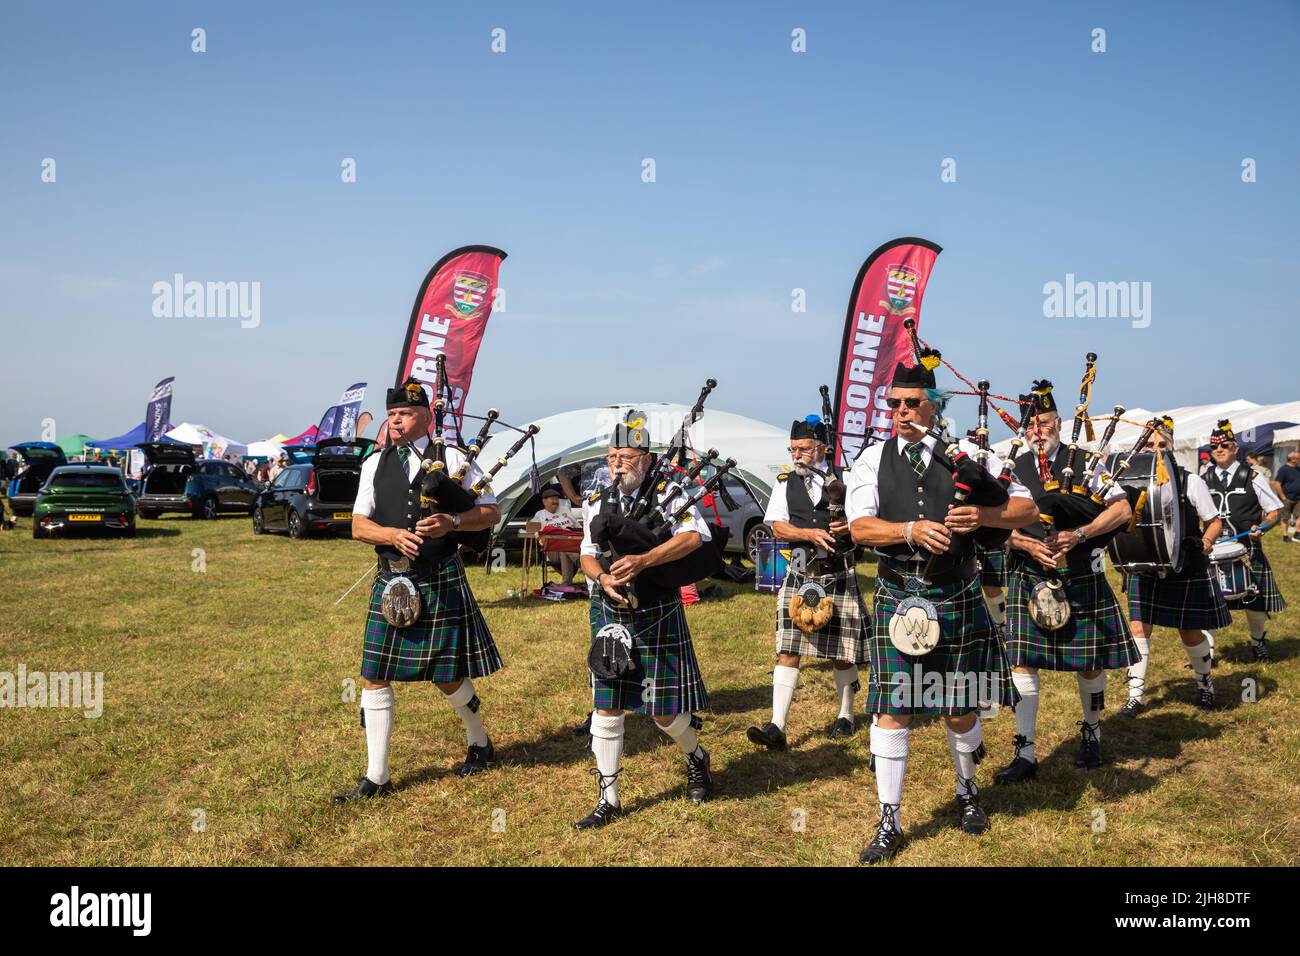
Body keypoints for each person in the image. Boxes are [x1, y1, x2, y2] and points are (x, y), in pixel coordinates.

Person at [846, 355, 1036, 864]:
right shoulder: (871, 460)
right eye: (894, 404)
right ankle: (890, 817)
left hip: (955, 590)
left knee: (959, 706)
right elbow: (860, 529)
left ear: (934, 406)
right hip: (897, 592)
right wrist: (906, 530)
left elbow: (1028, 508)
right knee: (895, 707)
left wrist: (985, 514)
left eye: (911, 403)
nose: (901, 412)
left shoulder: (970, 453)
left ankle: (967, 790)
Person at [333, 378, 504, 803]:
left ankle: (479, 741)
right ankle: (377, 776)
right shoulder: (375, 463)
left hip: (438, 577)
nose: (396, 421)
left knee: (446, 677)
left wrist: (454, 523)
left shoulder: (455, 458)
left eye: (405, 414)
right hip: (391, 579)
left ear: (426, 417)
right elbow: (358, 525)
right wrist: (390, 534)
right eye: (391, 415)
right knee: (373, 675)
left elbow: (491, 512)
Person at [574, 409, 715, 829]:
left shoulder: (671, 491)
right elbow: (585, 551)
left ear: (647, 459)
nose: (618, 463)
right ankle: (608, 797)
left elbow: (696, 536)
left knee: (664, 714)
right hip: (609, 608)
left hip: (655, 607)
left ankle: (695, 755)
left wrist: (644, 560)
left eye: (628, 456)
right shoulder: (597, 497)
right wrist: (601, 577)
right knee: (608, 705)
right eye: (613, 455)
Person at [992, 379, 1139, 781]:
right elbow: (994, 523)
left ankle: (1092, 732)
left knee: (1089, 664)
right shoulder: (1010, 466)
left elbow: (1121, 510)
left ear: (1058, 421)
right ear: (1022, 428)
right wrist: (1023, 542)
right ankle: (1025, 751)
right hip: (1029, 575)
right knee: (1022, 663)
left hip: (1079, 574)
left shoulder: (1087, 460)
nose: (1039, 428)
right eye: (1032, 423)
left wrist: (1079, 535)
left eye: (1045, 420)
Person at [747, 415, 866, 750]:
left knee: (841, 653)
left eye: (803, 449)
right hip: (800, 574)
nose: (796, 455)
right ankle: (777, 727)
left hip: (838, 571)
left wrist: (849, 529)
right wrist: (808, 533)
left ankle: (845, 715)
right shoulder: (786, 483)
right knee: (788, 650)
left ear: (822, 449)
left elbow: (865, 520)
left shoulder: (846, 479)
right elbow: (776, 526)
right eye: (793, 449)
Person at [1121, 417, 1226, 714]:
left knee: (1190, 631)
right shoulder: (1131, 483)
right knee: (1139, 627)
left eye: (1161, 445)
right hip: (1147, 566)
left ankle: (1206, 686)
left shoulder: (1190, 480)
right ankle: (1135, 696)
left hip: (1184, 563)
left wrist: (1205, 543)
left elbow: (1214, 521)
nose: (1155, 450)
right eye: (1148, 445)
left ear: (1171, 447)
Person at [1205, 420, 1287, 662]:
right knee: (1207, 603)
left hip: (1248, 549)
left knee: (1255, 601)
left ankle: (1258, 642)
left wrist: (1261, 527)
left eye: (1225, 446)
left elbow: (1274, 511)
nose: (1219, 450)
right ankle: (1206, 654)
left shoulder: (1253, 476)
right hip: (1211, 549)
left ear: (1235, 448)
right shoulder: (1203, 477)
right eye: (1215, 447)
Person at [531, 485, 580, 585]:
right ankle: (582, 564)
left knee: (564, 548)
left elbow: (578, 527)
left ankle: (567, 583)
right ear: (544, 501)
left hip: (572, 546)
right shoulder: (540, 515)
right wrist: (540, 539)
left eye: (557, 498)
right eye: (552, 499)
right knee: (562, 548)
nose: (555, 501)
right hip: (552, 550)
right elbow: (533, 531)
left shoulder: (565, 511)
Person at [1272, 449, 1300, 543]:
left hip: (1298, 498)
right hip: (1286, 498)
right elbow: (1277, 484)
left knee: (1299, 516)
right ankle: (1285, 536)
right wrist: (1283, 497)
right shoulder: (1283, 469)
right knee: (1285, 518)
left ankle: (1297, 534)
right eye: (1298, 458)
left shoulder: (1298, 469)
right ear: (1292, 459)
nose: (1299, 459)